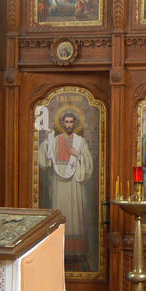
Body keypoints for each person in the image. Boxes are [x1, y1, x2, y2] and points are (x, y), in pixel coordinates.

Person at [39, 111, 94, 270]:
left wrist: (79, 155)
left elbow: (88, 162)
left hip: (75, 182)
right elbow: (45, 159)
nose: (69, 125)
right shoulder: (55, 141)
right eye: (66, 122)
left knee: (75, 215)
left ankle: (77, 251)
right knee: (61, 212)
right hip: (58, 182)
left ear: (75, 124)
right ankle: (60, 248)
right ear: (62, 124)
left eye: (71, 122)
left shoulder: (80, 141)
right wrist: (46, 144)